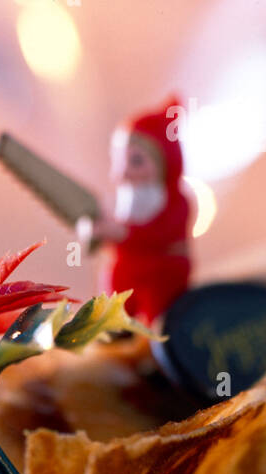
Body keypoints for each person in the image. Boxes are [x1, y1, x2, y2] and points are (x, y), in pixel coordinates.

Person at [76, 100, 192, 324]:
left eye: (136, 161)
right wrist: (98, 231)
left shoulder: (178, 204)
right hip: (124, 276)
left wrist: (120, 233)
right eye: (120, 160)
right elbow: (117, 233)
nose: (124, 172)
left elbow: (157, 236)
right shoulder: (127, 201)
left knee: (157, 318)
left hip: (160, 276)